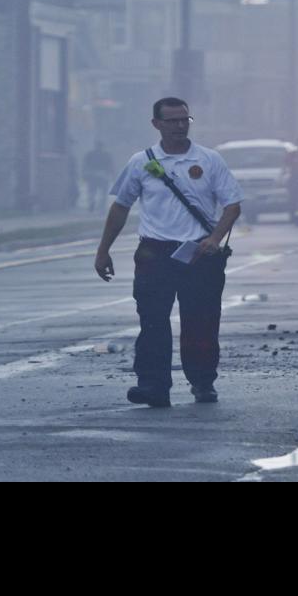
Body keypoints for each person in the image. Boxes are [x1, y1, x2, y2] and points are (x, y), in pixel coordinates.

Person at [93, 98, 244, 408]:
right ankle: (153, 386)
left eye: (184, 120)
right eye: (172, 120)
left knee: (201, 321)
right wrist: (103, 250)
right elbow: (121, 207)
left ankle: (202, 382)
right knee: (152, 322)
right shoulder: (141, 162)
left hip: (200, 254)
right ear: (157, 124)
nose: (179, 126)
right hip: (154, 254)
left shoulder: (209, 159)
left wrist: (215, 239)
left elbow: (232, 205)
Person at [83, 141, 116, 212]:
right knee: (102, 193)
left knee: (92, 192)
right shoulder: (106, 155)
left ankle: (92, 205)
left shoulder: (90, 154)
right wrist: (113, 176)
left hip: (93, 175)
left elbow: (85, 165)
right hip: (103, 176)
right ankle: (101, 206)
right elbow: (111, 166)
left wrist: (85, 174)